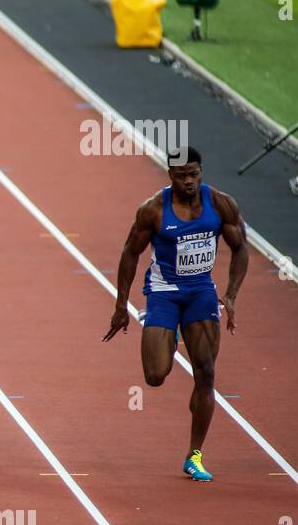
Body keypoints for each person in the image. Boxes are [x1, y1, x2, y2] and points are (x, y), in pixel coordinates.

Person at [103, 146, 248, 482]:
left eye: (193, 174)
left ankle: (194, 454)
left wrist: (231, 293)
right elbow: (130, 253)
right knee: (155, 375)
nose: (188, 182)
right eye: (181, 175)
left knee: (207, 371)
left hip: (200, 292)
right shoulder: (153, 210)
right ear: (170, 175)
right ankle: (170, 332)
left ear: (201, 172)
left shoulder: (221, 204)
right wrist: (120, 305)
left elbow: (241, 247)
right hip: (164, 292)